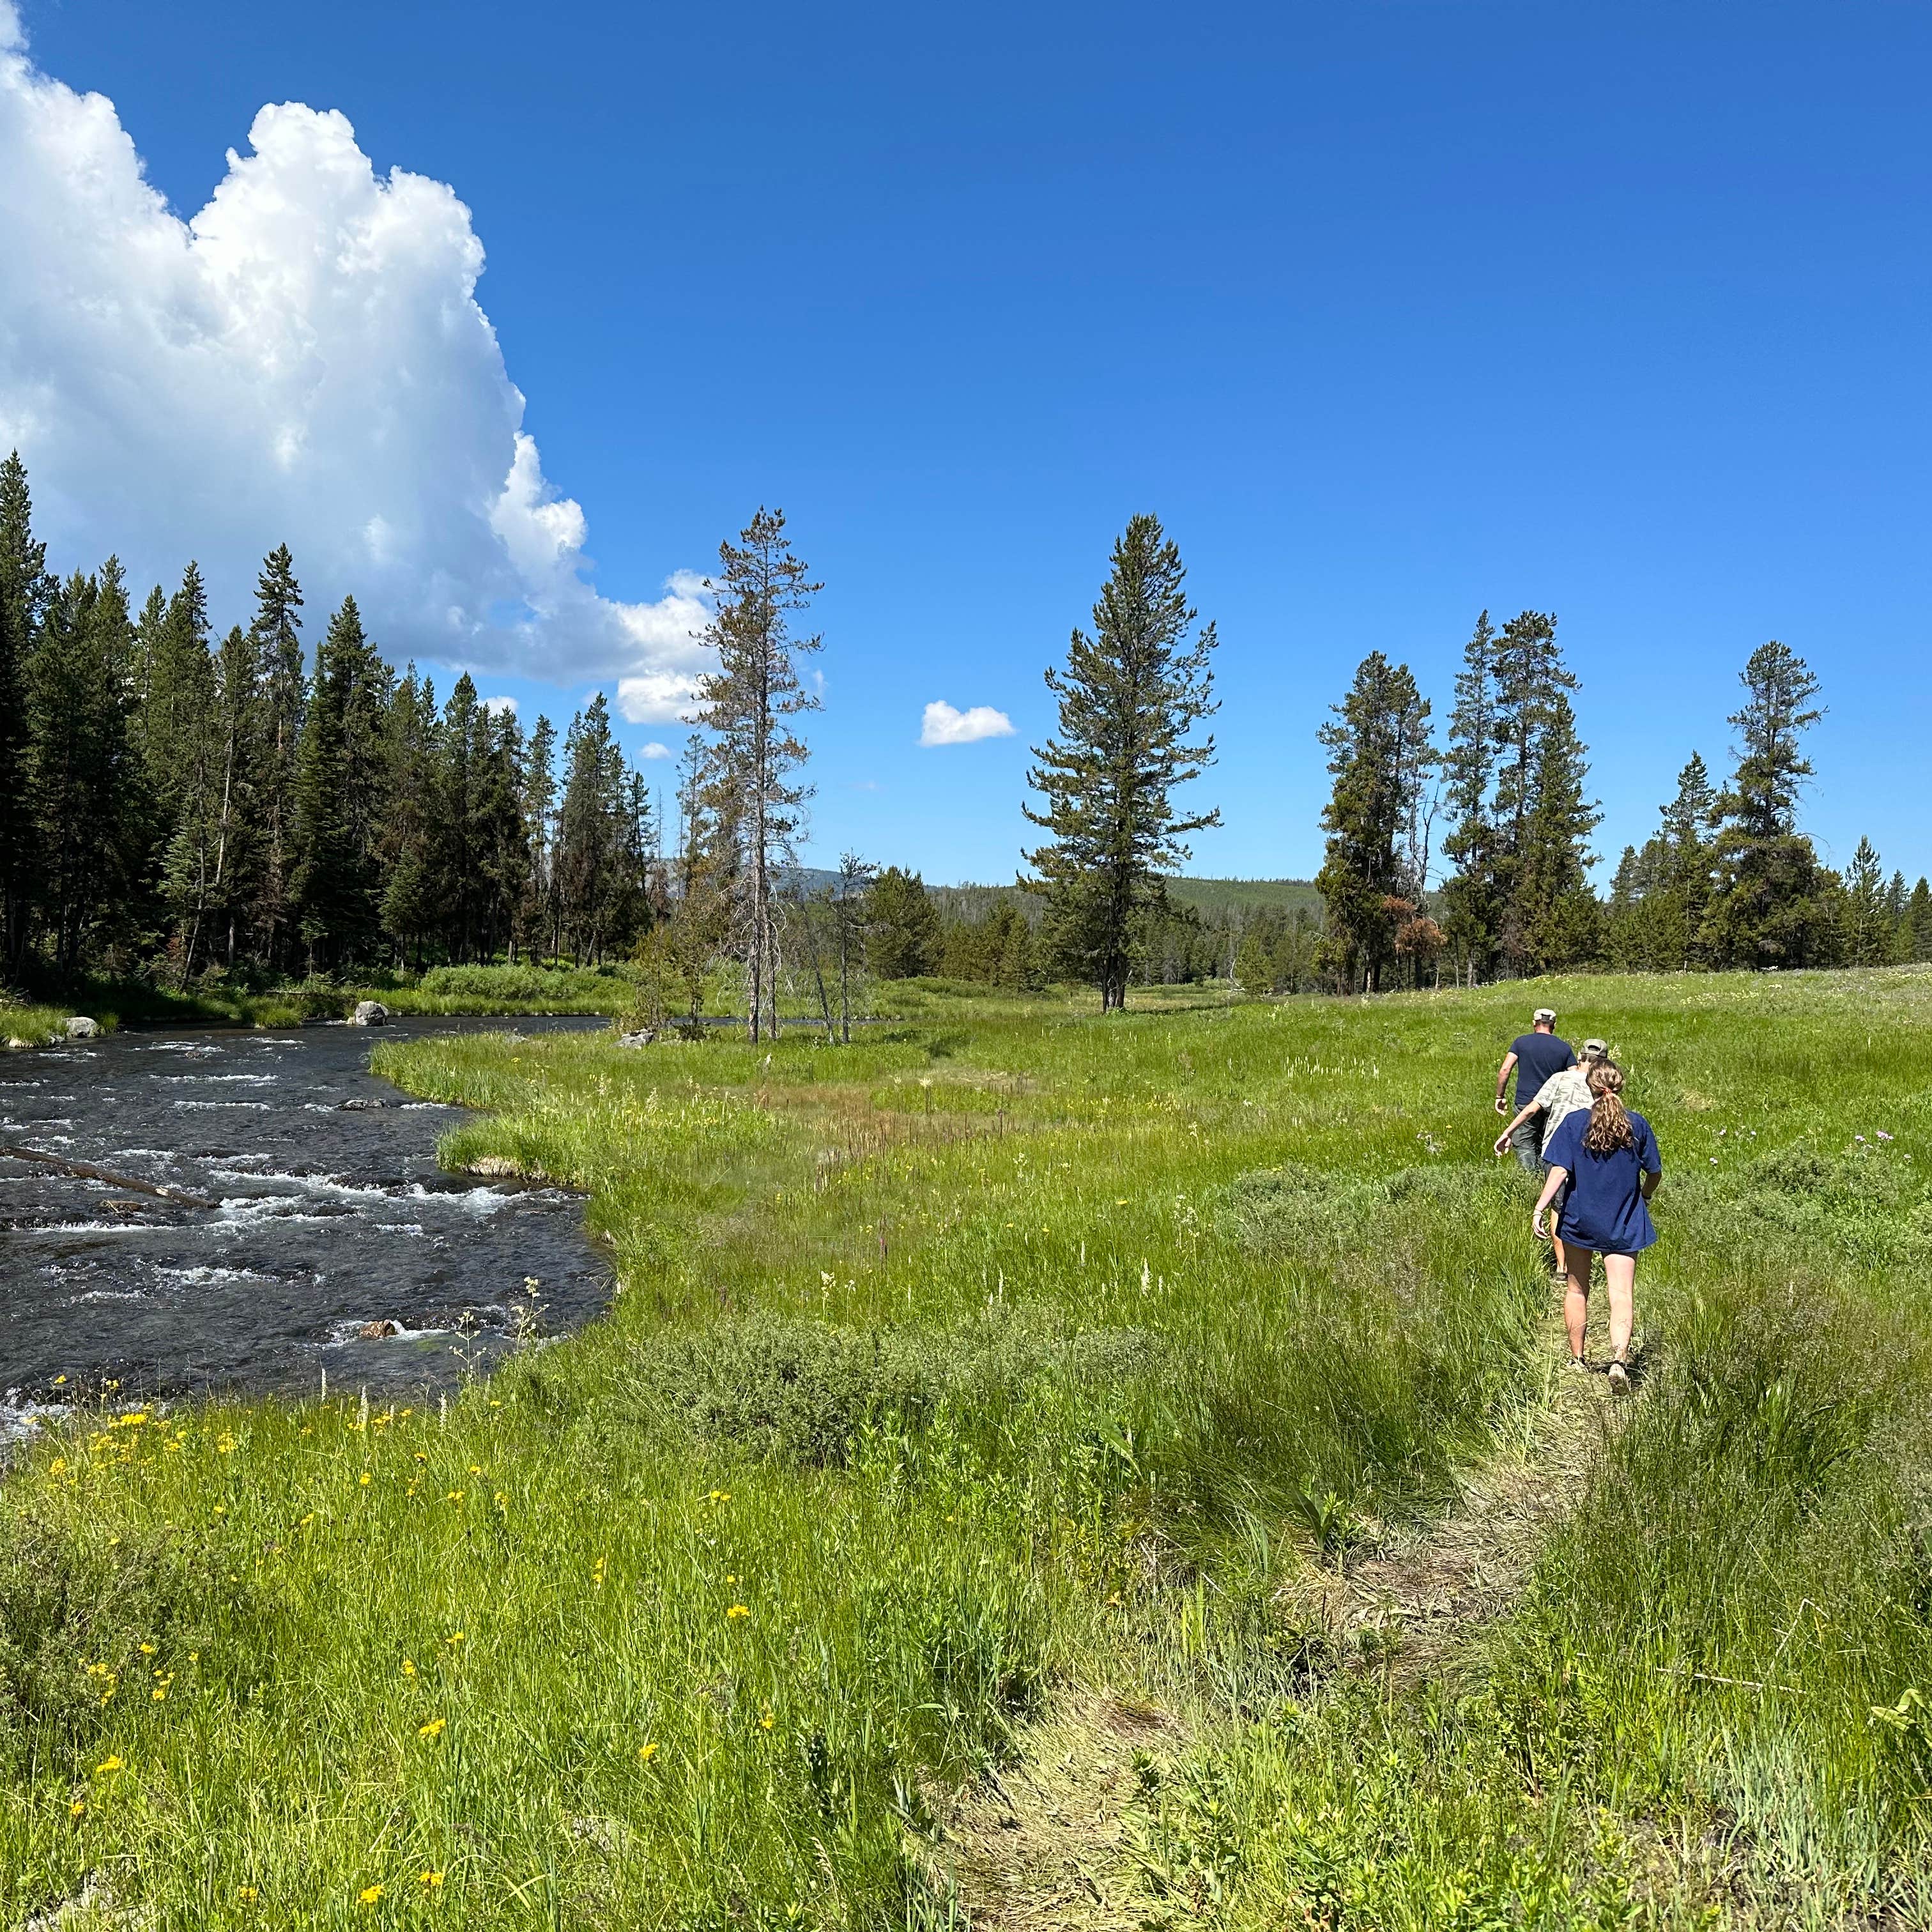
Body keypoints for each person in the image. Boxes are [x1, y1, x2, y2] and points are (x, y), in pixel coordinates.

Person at [1533, 1063, 1661, 1390]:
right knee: (1621, 1294)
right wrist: (1645, 1196)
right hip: (1625, 1220)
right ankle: (1619, 1362)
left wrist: (1540, 1208)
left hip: (1581, 1219)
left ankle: (1577, 1360)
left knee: (1577, 1290)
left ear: (1589, 1087)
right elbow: (1654, 1172)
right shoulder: (1637, 1124)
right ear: (1620, 1086)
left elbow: (1559, 1171)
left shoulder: (1575, 1122)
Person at [1492, 1037, 1612, 1279]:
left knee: (1558, 1206)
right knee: (1586, 1205)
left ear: (1579, 1057)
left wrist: (1508, 1132)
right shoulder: (1602, 1087)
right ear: (1604, 1063)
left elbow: (1532, 1108)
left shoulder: (1559, 1079)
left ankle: (1561, 1267)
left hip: (1555, 1151)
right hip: (1589, 1154)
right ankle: (1587, 1263)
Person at [1494, 1008, 1576, 1172]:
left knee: (1525, 1144)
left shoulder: (1521, 1043)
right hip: (1552, 1104)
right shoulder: (1564, 1048)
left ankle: (1529, 1178)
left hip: (1526, 1103)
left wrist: (1500, 1096)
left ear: (1534, 1023)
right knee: (1548, 1142)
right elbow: (1575, 1075)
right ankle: (1548, 1178)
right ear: (1554, 1025)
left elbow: (1505, 1070)